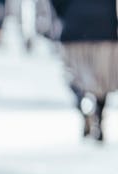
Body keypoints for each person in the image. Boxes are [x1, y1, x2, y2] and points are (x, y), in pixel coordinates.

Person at [51, 0, 118, 141]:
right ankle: (98, 116)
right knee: (102, 79)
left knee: (75, 77)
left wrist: (65, 15)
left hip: (74, 27)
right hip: (105, 27)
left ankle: (83, 107)